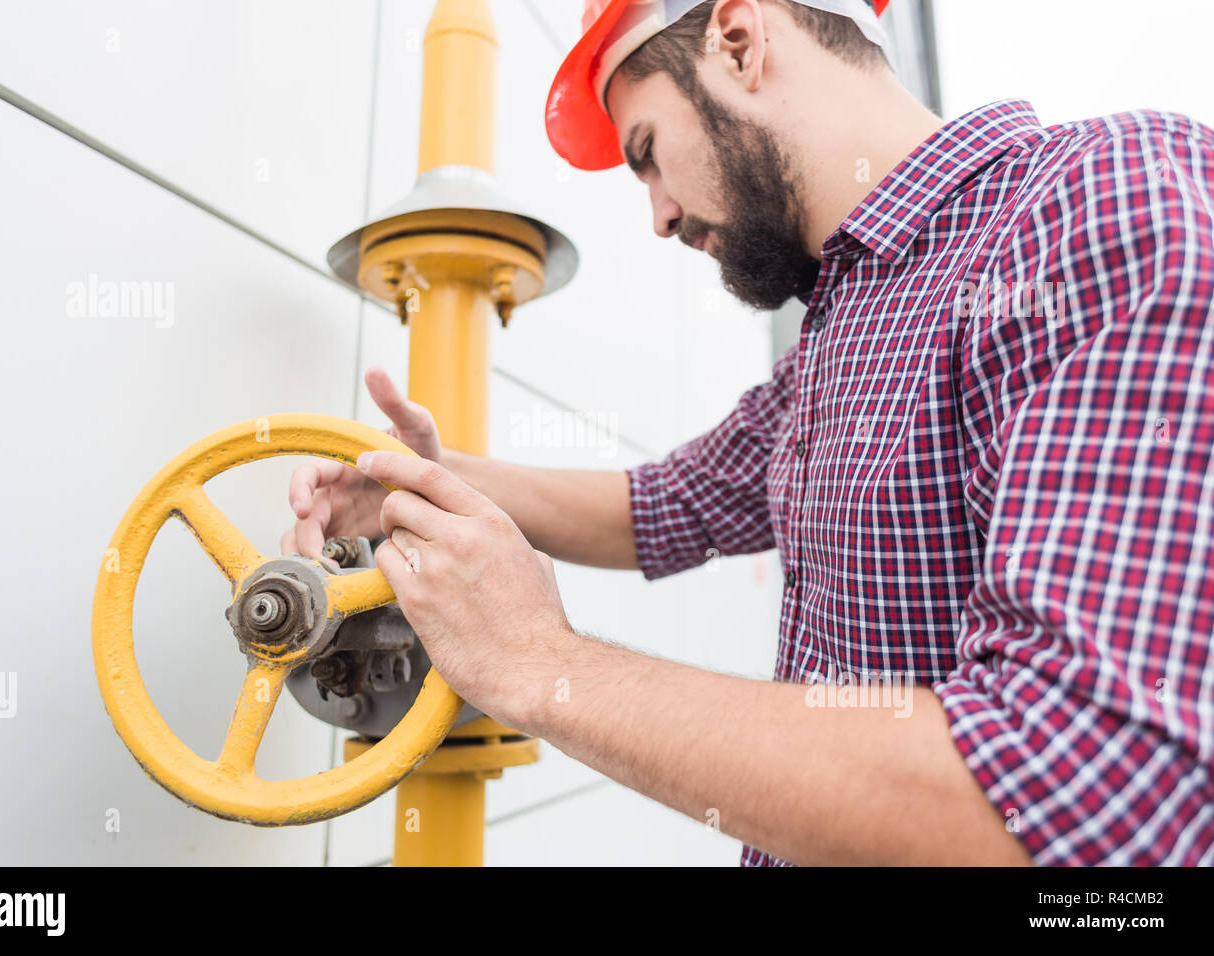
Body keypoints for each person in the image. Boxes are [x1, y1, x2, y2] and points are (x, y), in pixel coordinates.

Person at [282, 0, 1214, 865]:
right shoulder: (840, 331)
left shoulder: (1094, 201)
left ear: (738, 38)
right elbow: (663, 507)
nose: (658, 217)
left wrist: (539, 665)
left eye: (646, 152)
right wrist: (419, 477)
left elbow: (1079, 796)